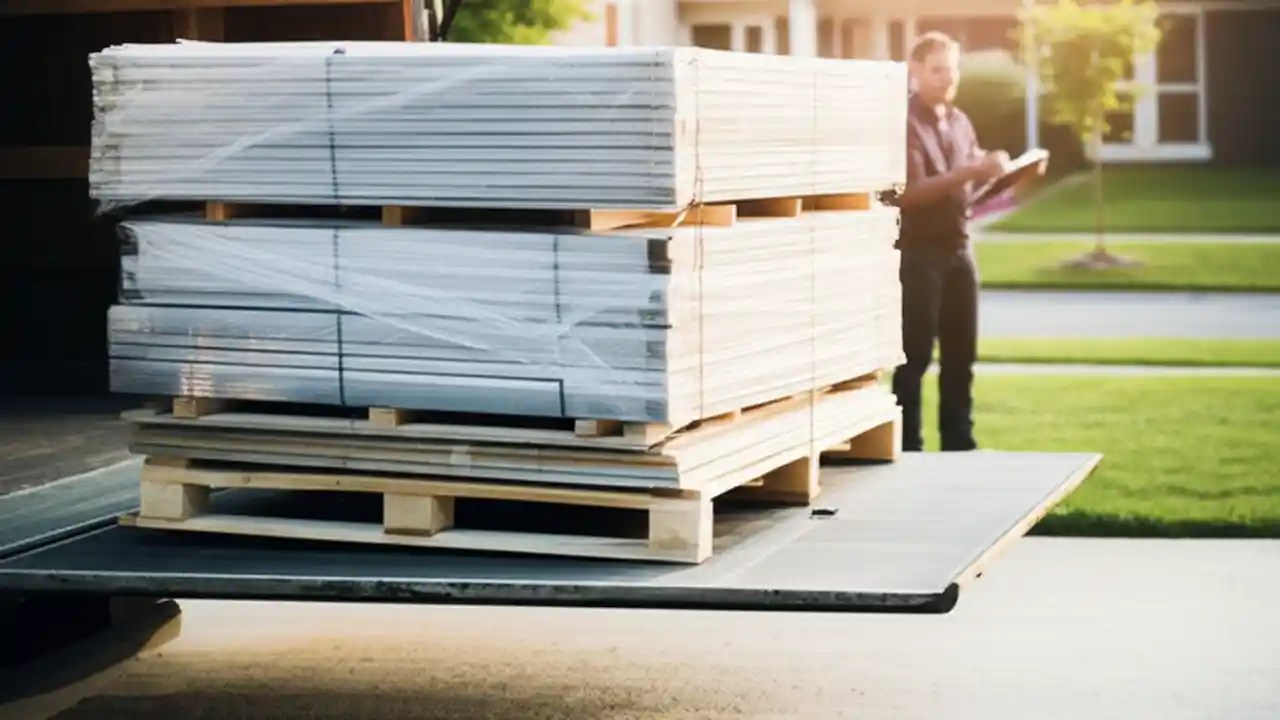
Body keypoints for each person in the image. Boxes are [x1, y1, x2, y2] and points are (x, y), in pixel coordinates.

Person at [892, 32, 1009, 452]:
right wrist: (971, 171)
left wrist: (1005, 175)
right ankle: (907, 446)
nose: (947, 78)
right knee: (916, 356)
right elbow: (912, 191)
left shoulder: (959, 121)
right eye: (937, 69)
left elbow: (970, 180)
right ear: (915, 71)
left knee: (961, 355)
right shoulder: (903, 122)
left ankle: (961, 444)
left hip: (960, 249)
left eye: (952, 68)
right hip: (920, 253)